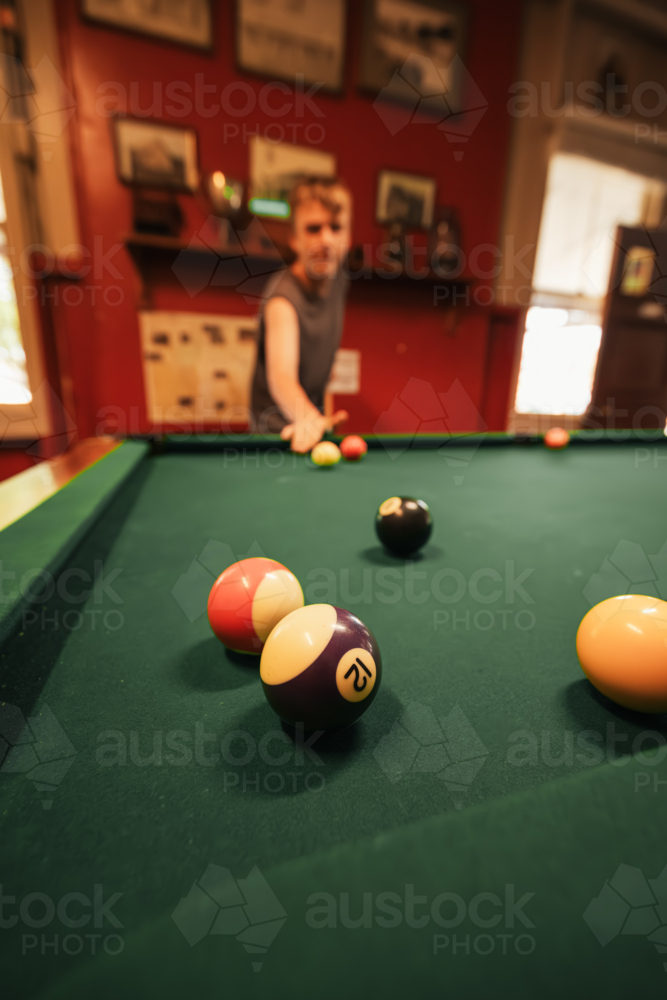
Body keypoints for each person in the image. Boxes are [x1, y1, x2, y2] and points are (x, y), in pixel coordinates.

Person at [250, 176, 351, 453]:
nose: (326, 239)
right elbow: (282, 378)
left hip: (313, 426)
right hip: (277, 438)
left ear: (348, 237)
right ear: (294, 239)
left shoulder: (338, 280)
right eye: (313, 229)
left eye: (335, 227)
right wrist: (308, 417)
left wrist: (317, 416)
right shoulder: (282, 301)